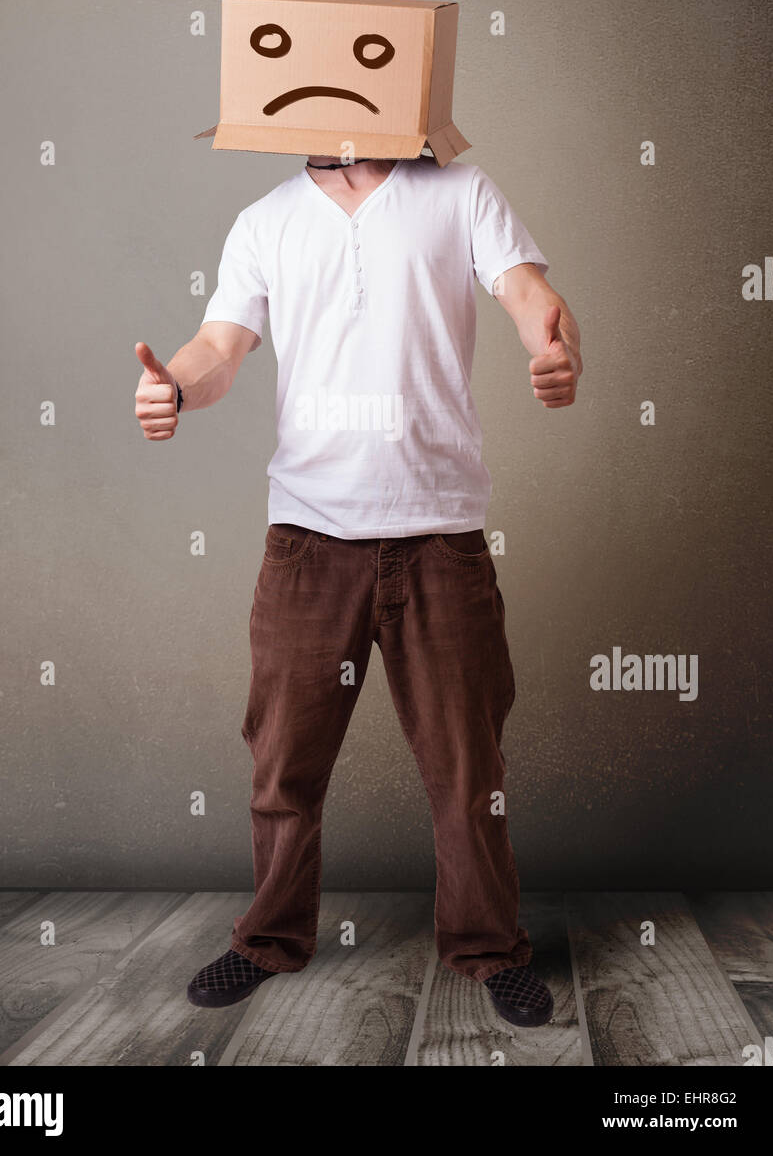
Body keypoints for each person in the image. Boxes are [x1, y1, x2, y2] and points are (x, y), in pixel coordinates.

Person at [134, 152, 582, 1027]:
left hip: (439, 539)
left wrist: (555, 350)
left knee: (467, 771)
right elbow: (221, 345)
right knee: (282, 764)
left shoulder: (460, 191)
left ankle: (489, 949)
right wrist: (175, 388)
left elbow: (528, 292)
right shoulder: (266, 218)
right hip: (308, 539)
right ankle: (267, 938)